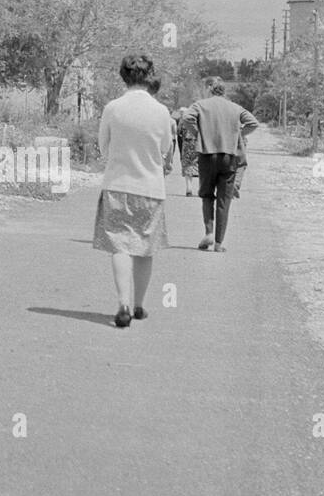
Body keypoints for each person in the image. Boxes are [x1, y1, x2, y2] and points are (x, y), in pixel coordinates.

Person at [93, 53, 174, 327]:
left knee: (120, 246)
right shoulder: (161, 111)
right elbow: (165, 149)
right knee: (145, 249)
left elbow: (103, 147)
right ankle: (139, 305)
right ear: (149, 75)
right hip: (151, 188)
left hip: (117, 185)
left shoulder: (113, 108)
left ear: (123, 76)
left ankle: (123, 304)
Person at [179, 80, 259, 252]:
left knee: (207, 195)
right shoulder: (235, 107)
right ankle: (218, 243)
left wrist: (198, 133)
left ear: (210, 91)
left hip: (207, 155)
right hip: (229, 157)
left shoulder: (200, 105)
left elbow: (186, 118)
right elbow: (253, 123)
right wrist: (236, 134)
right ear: (225, 92)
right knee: (224, 200)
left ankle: (208, 231)